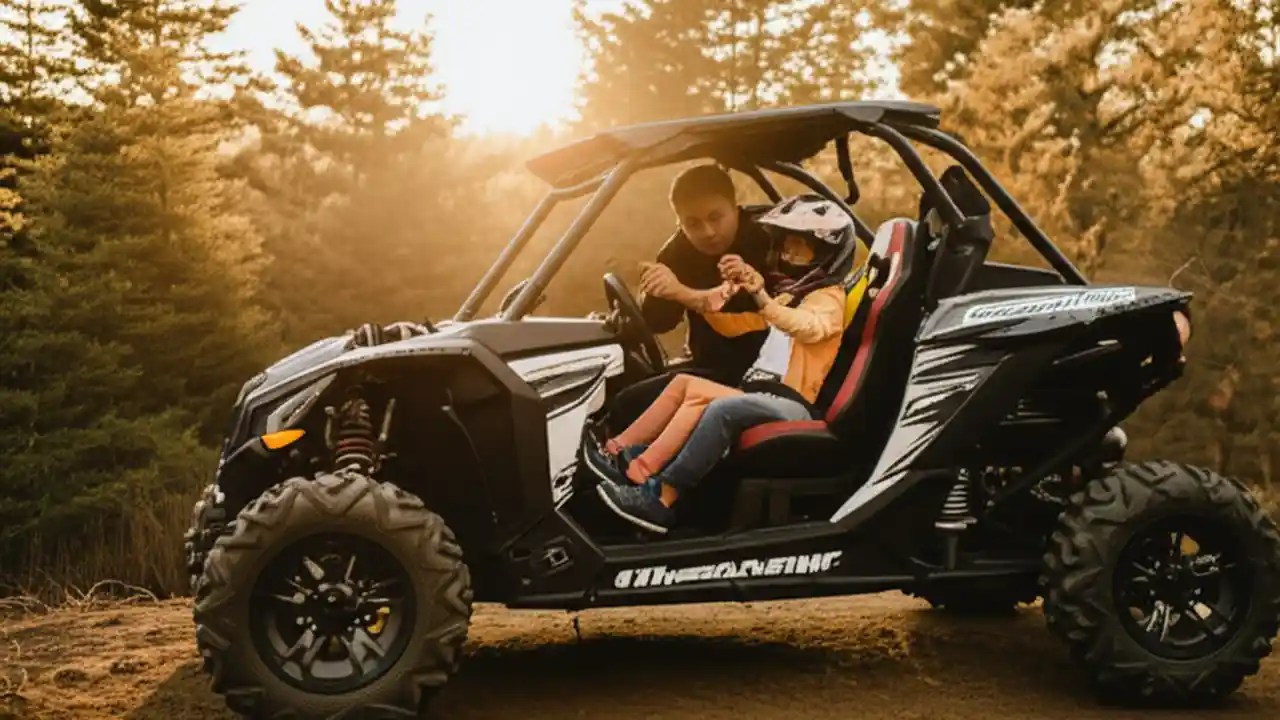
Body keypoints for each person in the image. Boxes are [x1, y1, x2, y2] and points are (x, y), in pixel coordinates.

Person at [588, 195, 857, 533]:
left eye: (799, 251)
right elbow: (738, 324)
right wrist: (724, 289)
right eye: (786, 249)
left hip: (792, 403)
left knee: (720, 409)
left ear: (827, 254)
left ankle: (662, 499)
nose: (788, 257)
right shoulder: (793, 295)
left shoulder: (829, 298)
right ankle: (619, 454)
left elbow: (808, 327)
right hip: (763, 393)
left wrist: (761, 296)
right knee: (684, 384)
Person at [638, 164, 772, 384]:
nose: (708, 232)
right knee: (630, 398)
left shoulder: (765, 238)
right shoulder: (675, 254)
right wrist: (655, 290)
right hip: (710, 366)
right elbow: (658, 323)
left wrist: (681, 292)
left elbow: (741, 307)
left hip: (769, 365)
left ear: (736, 210)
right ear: (680, 224)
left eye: (715, 217)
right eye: (693, 223)